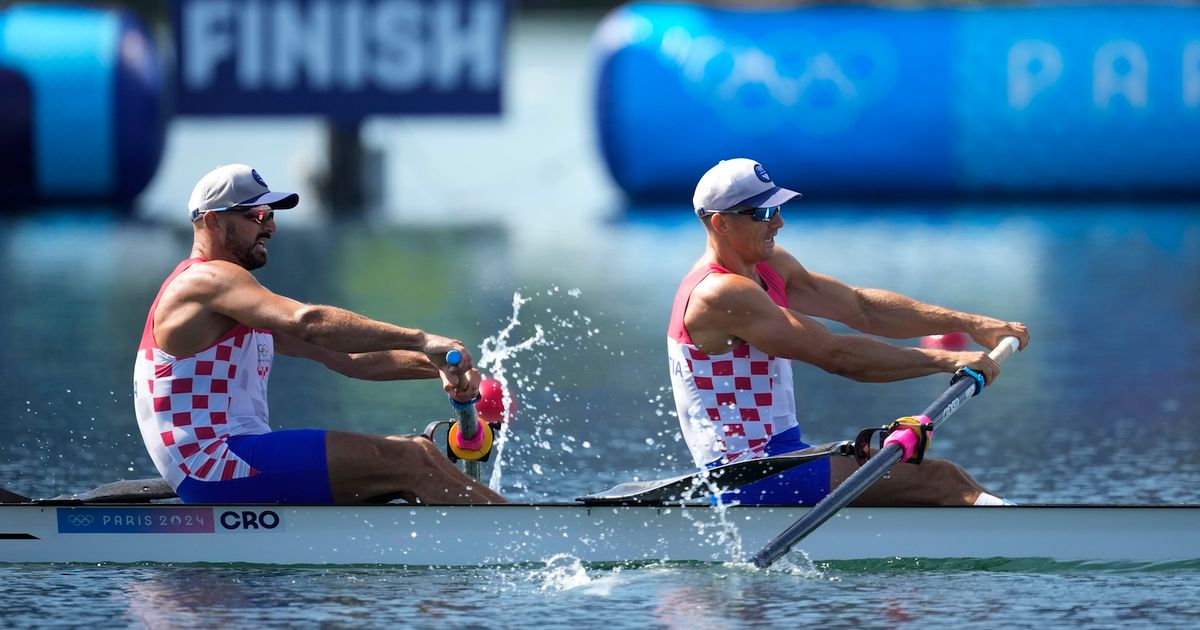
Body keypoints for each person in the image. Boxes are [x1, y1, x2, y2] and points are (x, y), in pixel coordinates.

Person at [132, 164, 505, 505]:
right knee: (411, 458)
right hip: (214, 462)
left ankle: (493, 534)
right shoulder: (205, 281)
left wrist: (433, 365)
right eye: (258, 215)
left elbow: (347, 358)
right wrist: (421, 339)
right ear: (213, 222)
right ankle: (522, 540)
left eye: (271, 215)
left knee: (418, 456)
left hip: (229, 459)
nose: (271, 227)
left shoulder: (233, 302)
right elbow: (307, 321)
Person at [667, 158, 1030, 506]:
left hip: (785, 455)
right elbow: (836, 355)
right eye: (763, 213)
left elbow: (861, 308)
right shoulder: (720, 294)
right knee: (942, 480)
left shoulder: (768, 267)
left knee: (926, 476)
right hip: (747, 474)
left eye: (778, 209)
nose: (777, 223)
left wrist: (967, 322)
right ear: (721, 223)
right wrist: (946, 361)